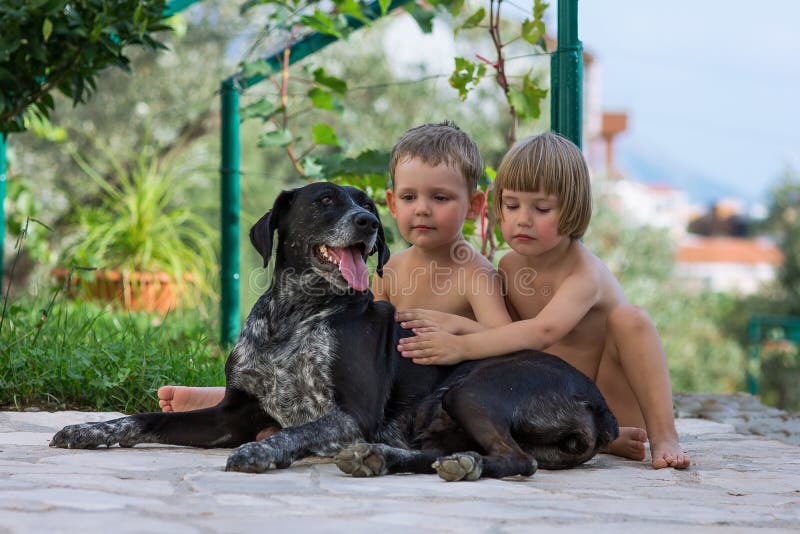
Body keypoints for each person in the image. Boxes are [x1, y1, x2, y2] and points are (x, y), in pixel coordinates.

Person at [158, 121, 512, 413]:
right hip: (383, 385)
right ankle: (236, 401)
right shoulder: (391, 268)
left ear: (474, 206)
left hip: (441, 392)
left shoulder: (474, 272)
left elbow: (505, 341)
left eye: (440, 198)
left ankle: (235, 405)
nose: (422, 209)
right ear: (391, 204)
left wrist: (457, 332)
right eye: (409, 197)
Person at [397, 132, 691, 469]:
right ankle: (598, 440)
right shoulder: (509, 266)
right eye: (511, 205)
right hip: (551, 411)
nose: (523, 219)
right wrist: (457, 324)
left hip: (609, 404)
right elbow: (506, 339)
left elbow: (542, 332)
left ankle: (663, 435)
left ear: (572, 210)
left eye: (542, 208)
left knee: (631, 319)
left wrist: (460, 344)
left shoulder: (584, 274)